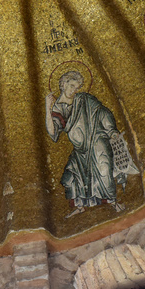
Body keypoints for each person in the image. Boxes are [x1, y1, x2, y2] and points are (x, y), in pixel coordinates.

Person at [45, 70, 127, 218]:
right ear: (63, 85)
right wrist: (47, 108)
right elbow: (52, 133)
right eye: (71, 85)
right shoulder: (58, 108)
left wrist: (111, 130)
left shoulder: (84, 99)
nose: (74, 90)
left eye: (76, 87)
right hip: (80, 149)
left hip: (96, 140)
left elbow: (102, 112)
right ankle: (81, 206)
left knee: (103, 167)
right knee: (71, 177)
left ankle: (113, 202)